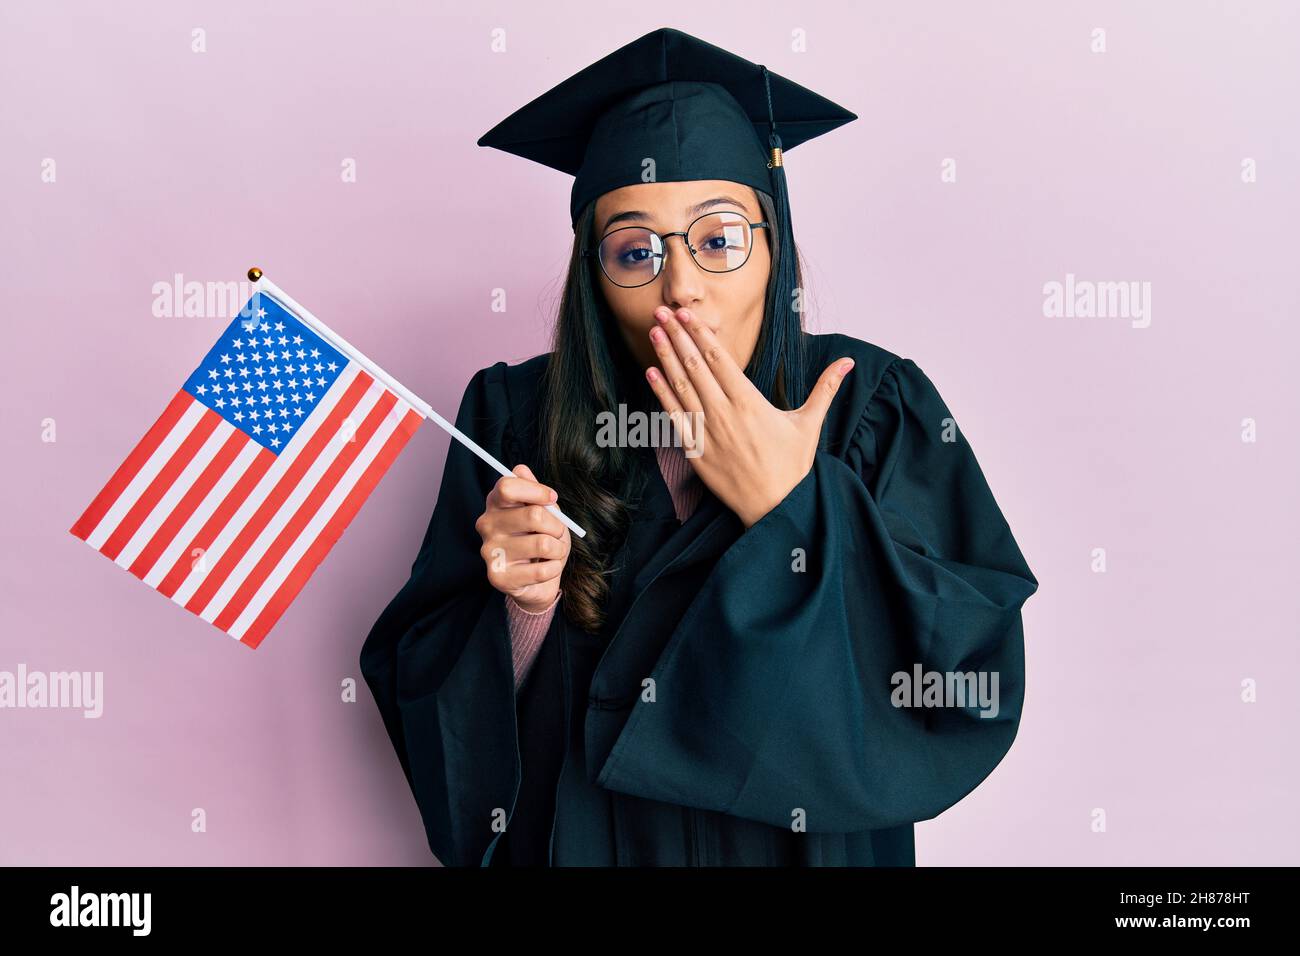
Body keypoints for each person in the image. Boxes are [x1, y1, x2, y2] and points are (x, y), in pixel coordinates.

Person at [360, 27, 1038, 867]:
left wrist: (796, 507)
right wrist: (521, 610)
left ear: (772, 243)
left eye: (719, 240)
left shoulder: (873, 404)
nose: (681, 285)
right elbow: (438, 714)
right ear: (593, 274)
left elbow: (961, 672)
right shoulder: (514, 420)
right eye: (634, 251)